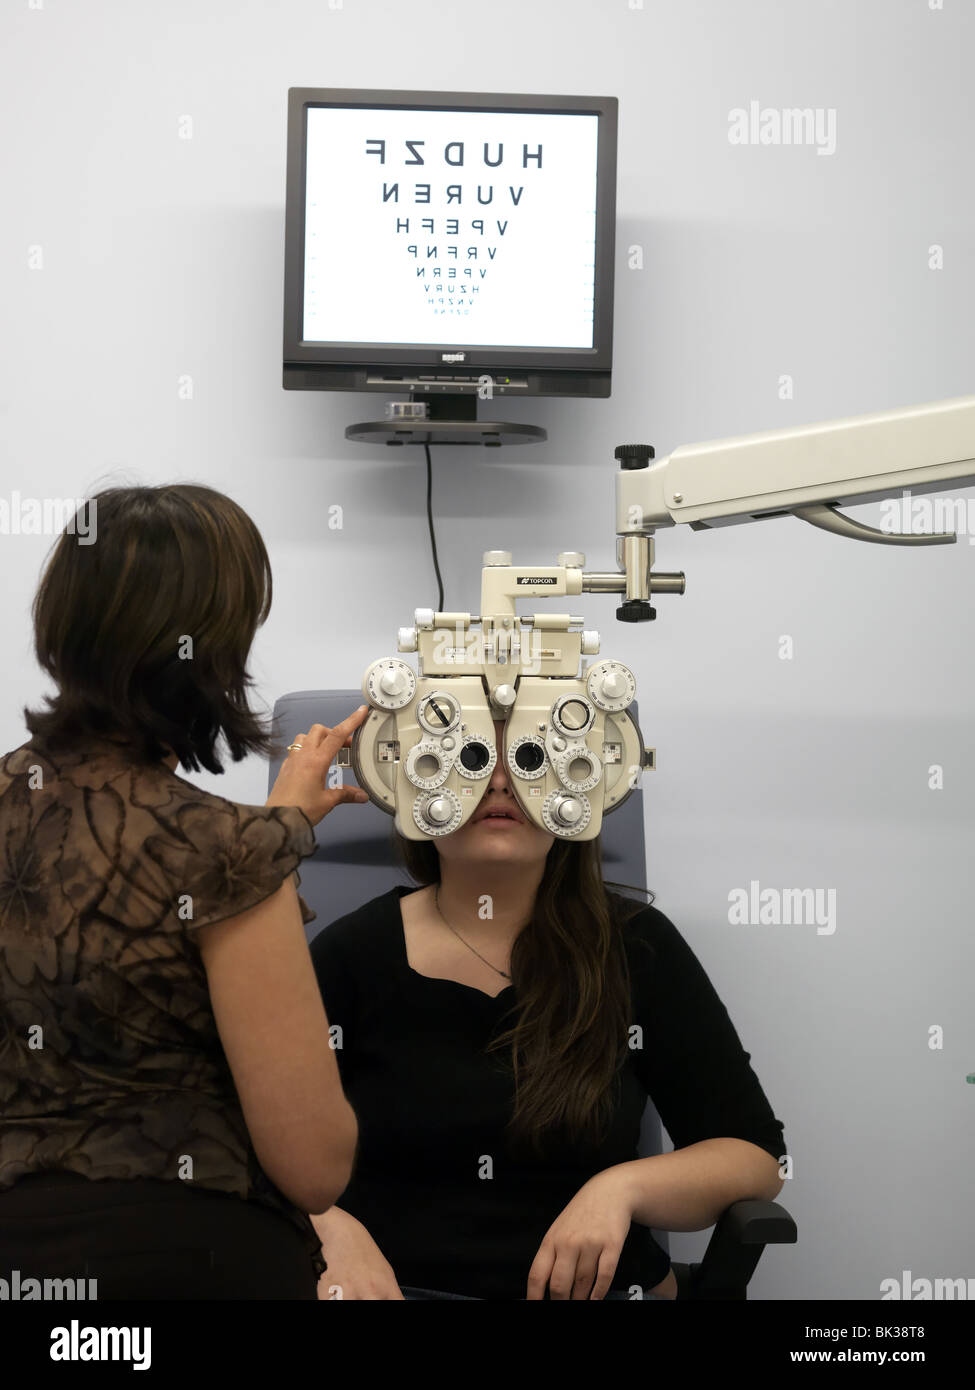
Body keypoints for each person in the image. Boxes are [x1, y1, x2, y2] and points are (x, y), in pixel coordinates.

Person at [0, 483, 371, 1299]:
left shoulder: (235, 849)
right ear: (216, 651)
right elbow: (313, 1168)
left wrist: (278, 833)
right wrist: (264, 849)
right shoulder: (222, 852)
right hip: (179, 1264)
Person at [309, 720, 787, 1300]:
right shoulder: (350, 955)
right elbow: (249, 1143)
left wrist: (622, 1188)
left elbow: (754, 1156)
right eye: (470, 757)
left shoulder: (637, 947)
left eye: (531, 757)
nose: (502, 782)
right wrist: (328, 1228)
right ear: (415, 784)